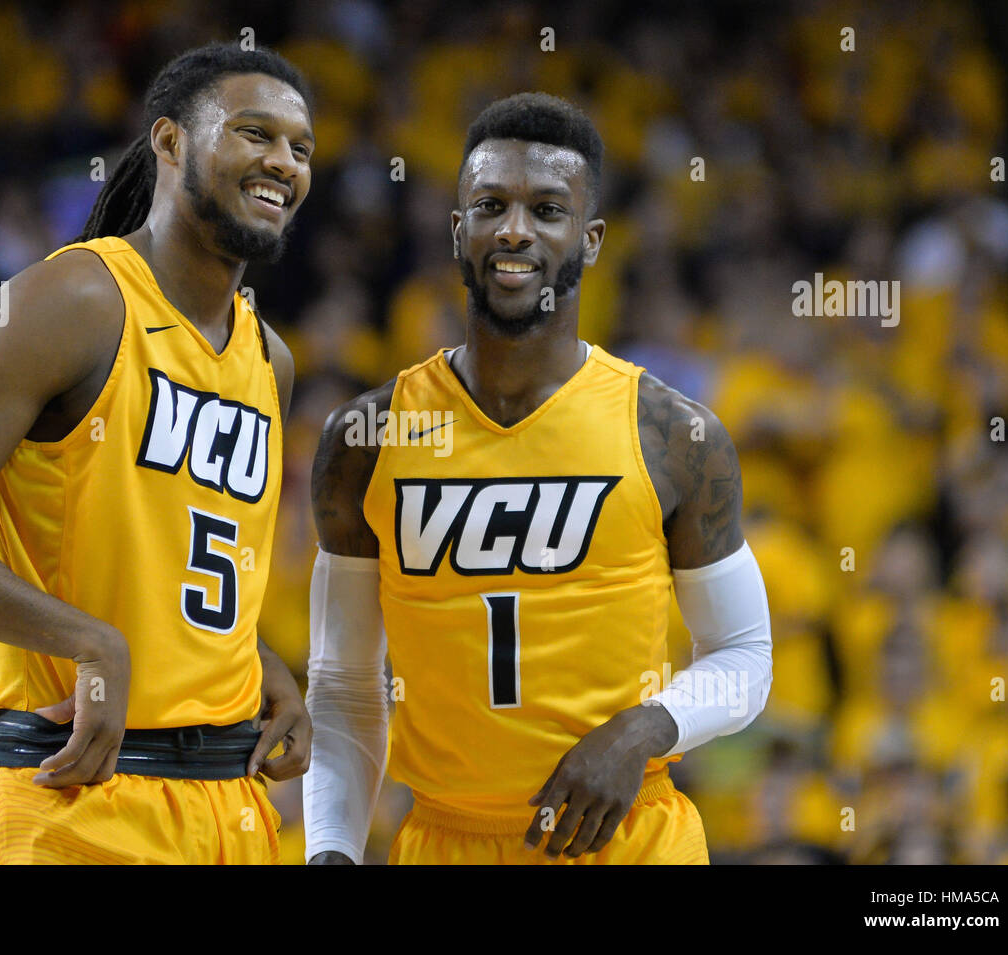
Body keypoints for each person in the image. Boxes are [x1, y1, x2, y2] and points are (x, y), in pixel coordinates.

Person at [0, 43, 316, 864]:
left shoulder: (271, 359)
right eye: (255, 133)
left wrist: (256, 659)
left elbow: (164, 551)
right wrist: (85, 641)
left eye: (301, 148)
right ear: (169, 143)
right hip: (76, 796)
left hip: (229, 801)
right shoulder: (73, 300)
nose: (284, 161)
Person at [303, 92, 773, 865]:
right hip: (445, 838)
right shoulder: (363, 437)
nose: (515, 228)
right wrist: (332, 850)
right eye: (490, 205)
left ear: (589, 239)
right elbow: (346, 682)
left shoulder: (673, 433)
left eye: (547, 209)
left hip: (629, 838)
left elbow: (745, 656)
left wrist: (646, 727)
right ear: (459, 233)